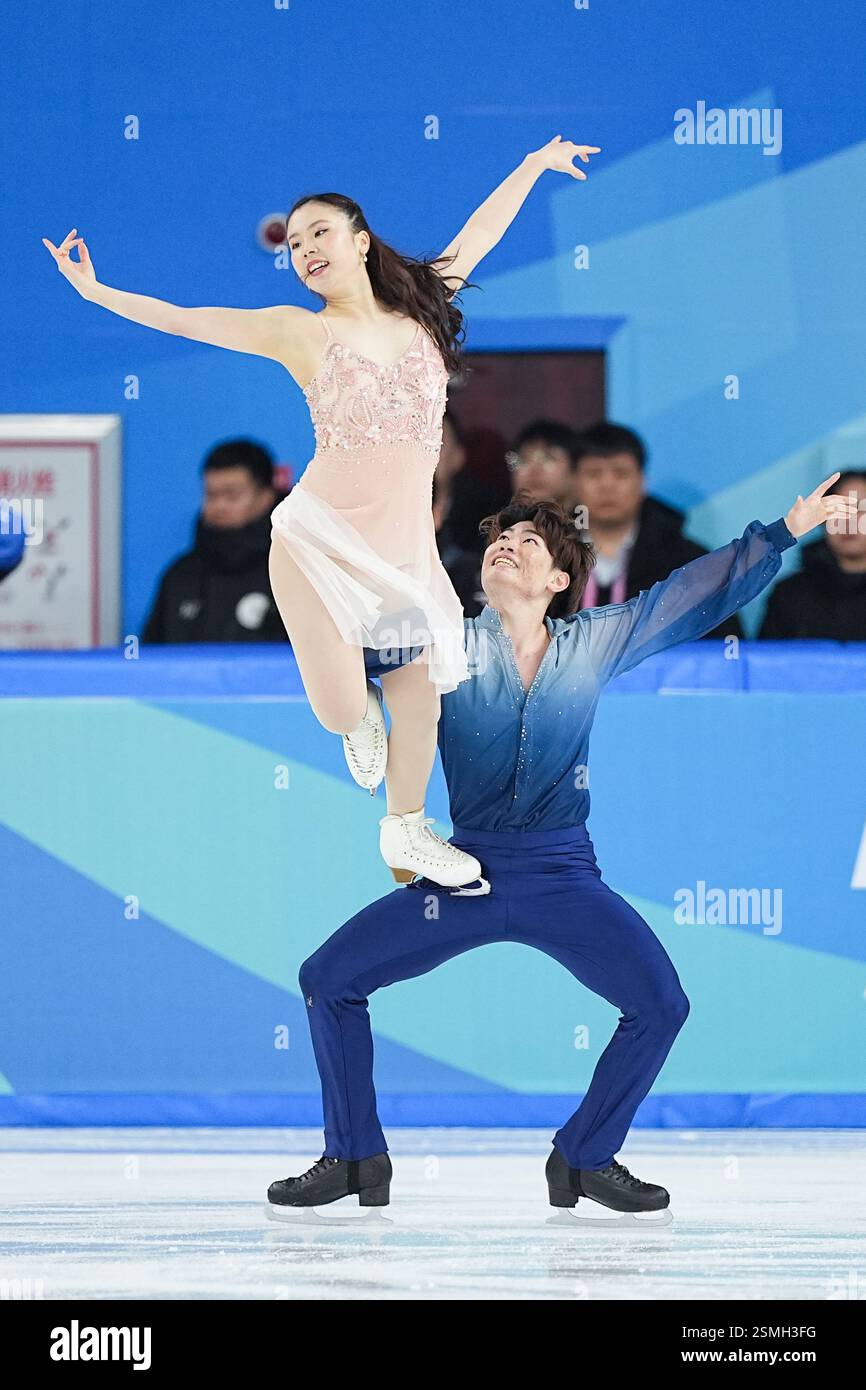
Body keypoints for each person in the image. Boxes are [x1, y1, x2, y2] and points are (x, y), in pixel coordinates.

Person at [266, 473, 854, 1221]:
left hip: (561, 876)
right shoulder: (442, 638)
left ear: (560, 578)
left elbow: (687, 598)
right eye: (499, 541)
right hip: (464, 874)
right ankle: (356, 1155)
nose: (507, 548)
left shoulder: (595, 643)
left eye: (529, 543)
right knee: (328, 979)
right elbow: (354, 659)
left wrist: (782, 531)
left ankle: (583, 1155)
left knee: (661, 1004)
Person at [40, 132, 602, 885]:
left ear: (361, 241)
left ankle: (406, 832)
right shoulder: (299, 330)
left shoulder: (426, 310)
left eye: (320, 233)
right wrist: (95, 291)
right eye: (295, 241)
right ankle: (353, 713)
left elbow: (480, 233)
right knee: (343, 713)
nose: (304, 249)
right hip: (315, 543)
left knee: (423, 700)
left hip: (403, 557)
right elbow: (186, 319)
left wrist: (533, 166)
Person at [572, 422, 743, 641]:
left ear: (643, 482)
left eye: (621, 474)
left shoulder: (689, 563)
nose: (607, 485)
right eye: (594, 474)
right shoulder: (548, 556)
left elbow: (721, 649)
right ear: (575, 484)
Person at [142, 439, 289, 644]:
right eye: (211, 495)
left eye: (232, 495)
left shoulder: (293, 571)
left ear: (266, 497)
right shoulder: (181, 575)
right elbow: (152, 661)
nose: (219, 506)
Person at [759, 470, 866, 640]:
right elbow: (768, 661)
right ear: (822, 519)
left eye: (861, 508)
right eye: (839, 508)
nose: (849, 520)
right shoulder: (790, 594)